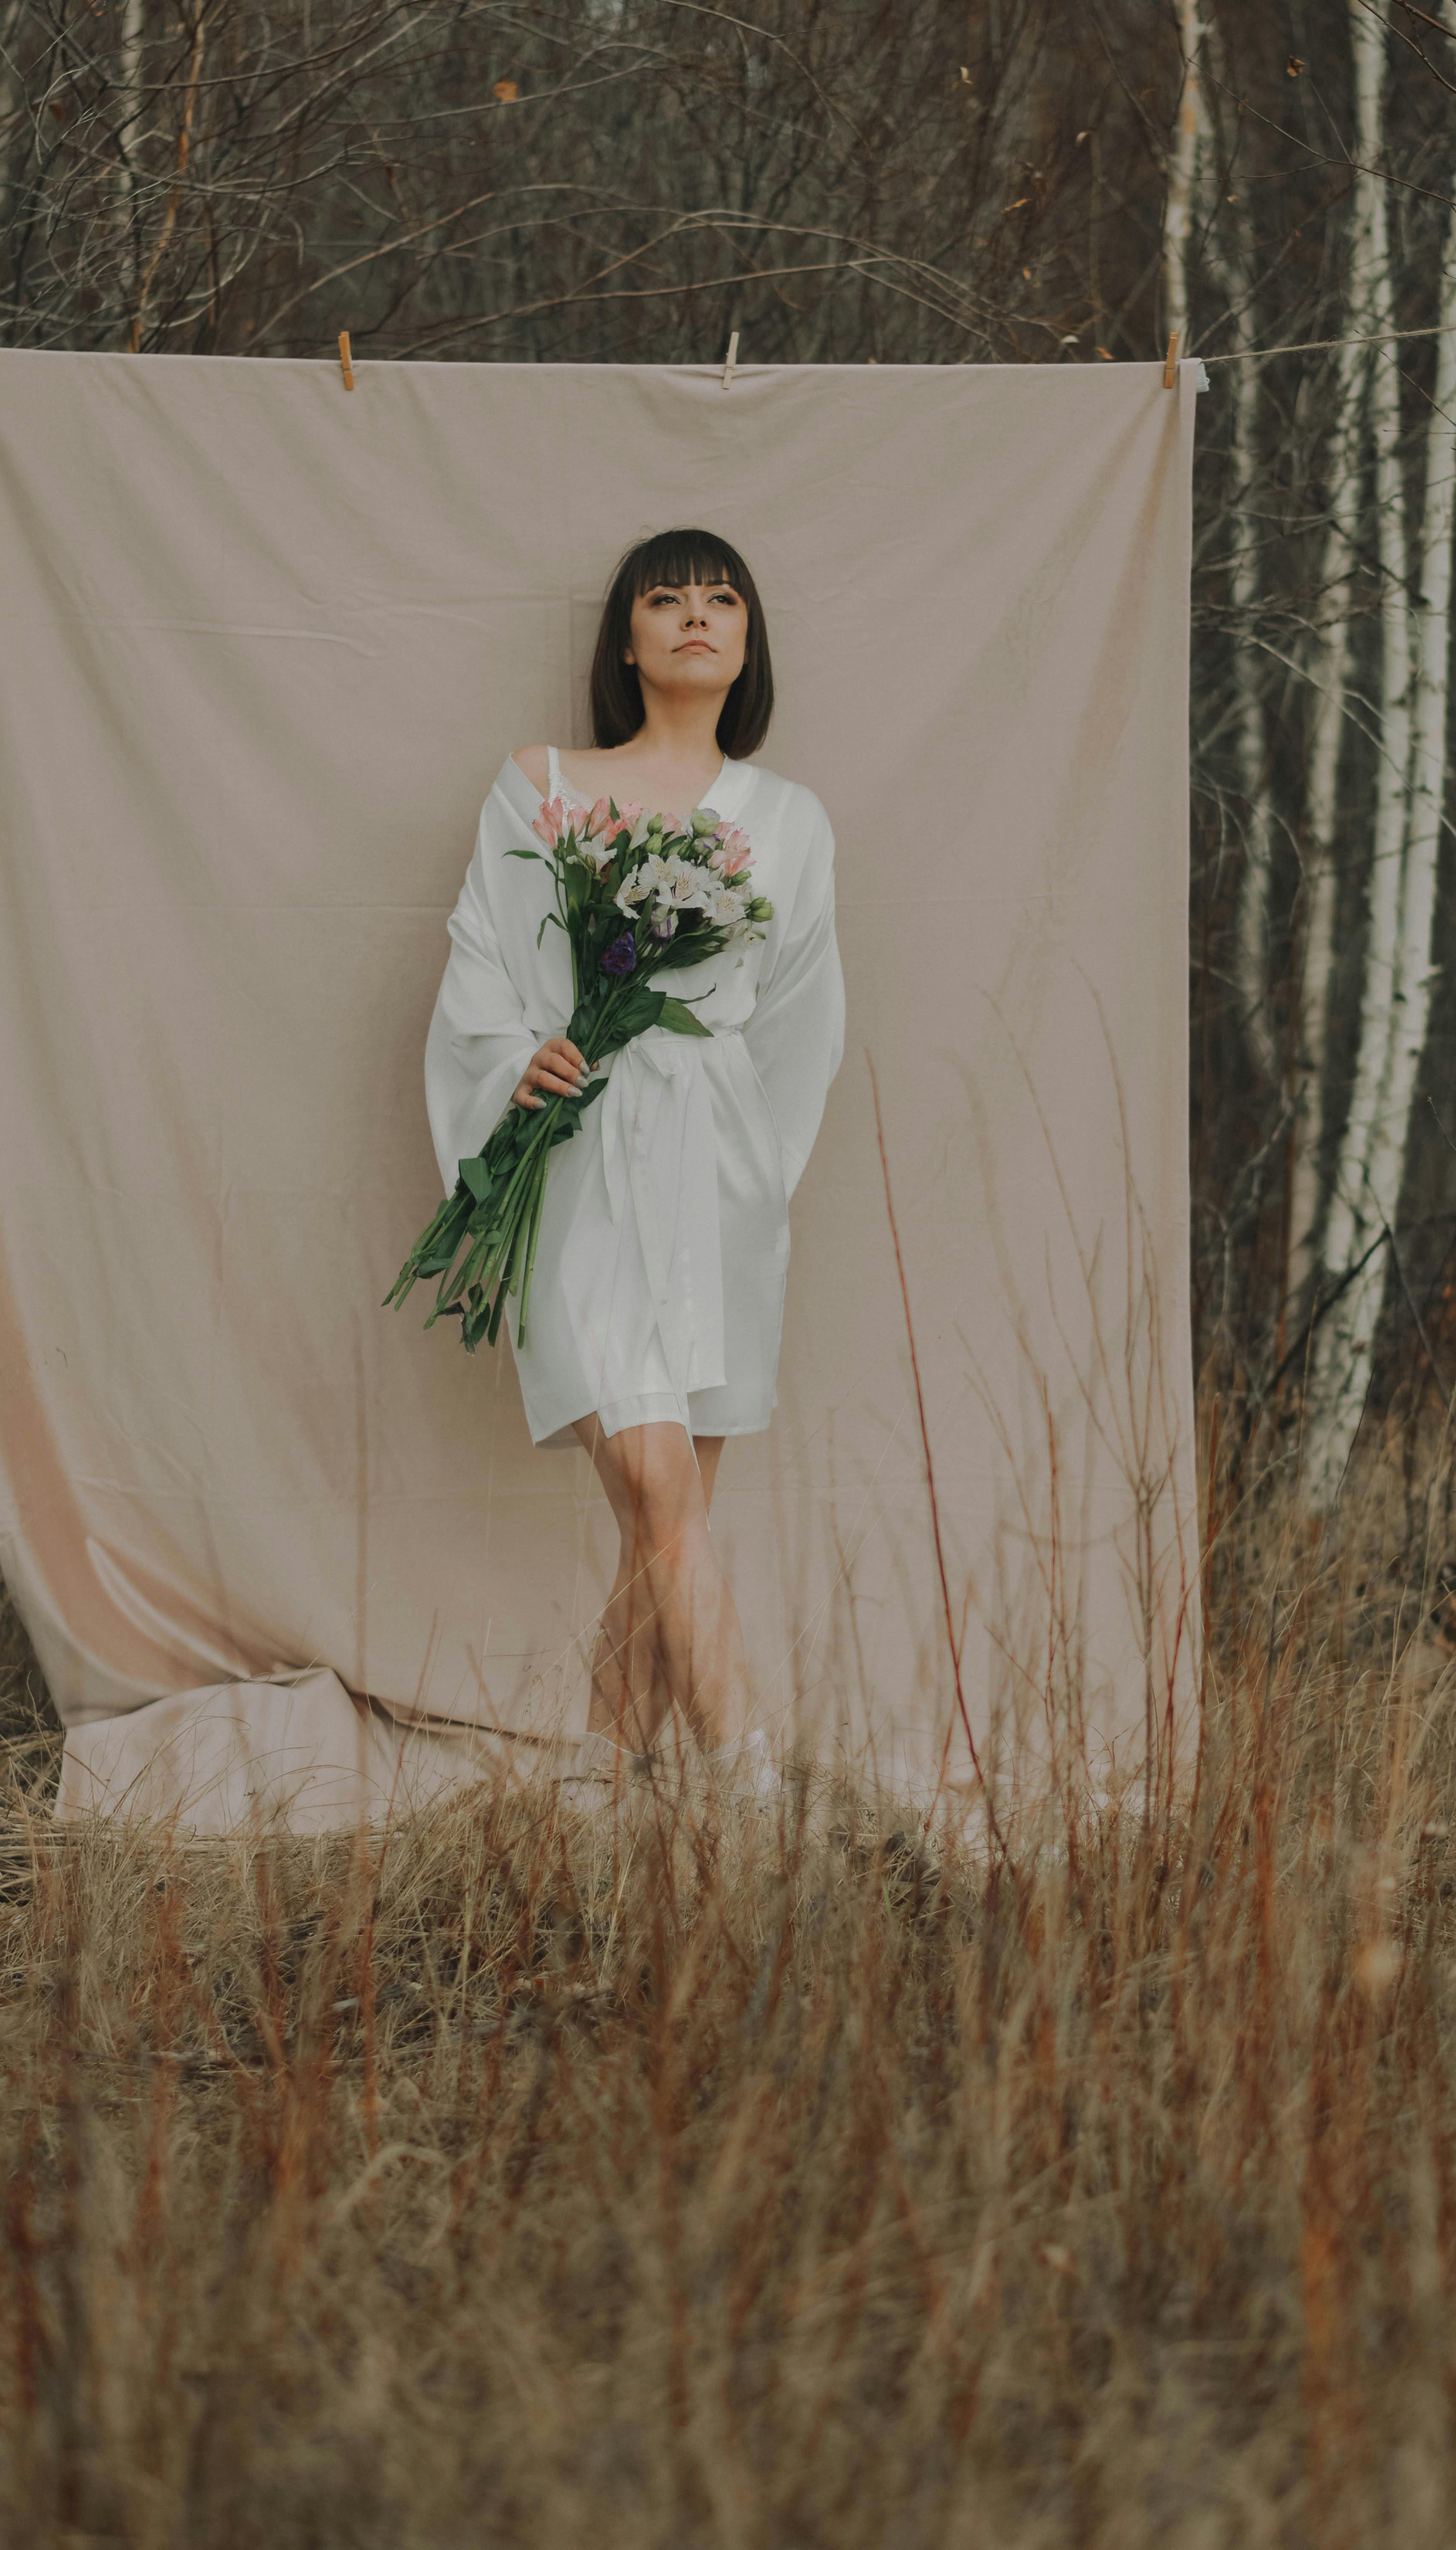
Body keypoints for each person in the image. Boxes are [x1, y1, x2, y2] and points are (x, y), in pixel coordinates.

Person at [423, 530, 844, 1796]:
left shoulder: (788, 821)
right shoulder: (543, 785)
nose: (696, 618)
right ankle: (752, 1793)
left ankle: (597, 1809)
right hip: (582, 1149)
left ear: (749, 641)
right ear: (625, 639)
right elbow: (481, 969)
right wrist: (521, 1065)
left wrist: (759, 1173)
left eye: (723, 600)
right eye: (666, 599)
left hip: (717, 1171)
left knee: (663, 1528)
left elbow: (799, 1020)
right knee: (658, 1487)